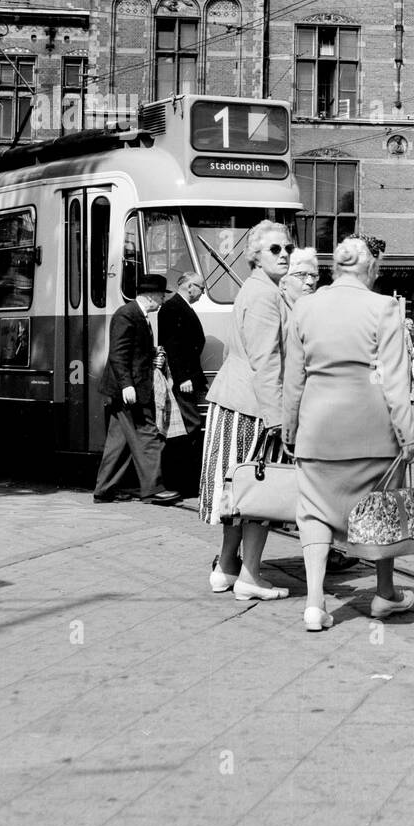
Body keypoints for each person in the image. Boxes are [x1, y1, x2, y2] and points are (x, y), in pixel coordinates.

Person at [282, 237, 414, 632]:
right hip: (372, 429)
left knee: (313, 512)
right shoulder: (383, 307)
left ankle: (313, 603)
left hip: (317, 429)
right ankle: (384, 593)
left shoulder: (305, 307)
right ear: (369, 269)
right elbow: (394, 379)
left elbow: (295, 377)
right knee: (379, 507)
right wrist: (407, 436)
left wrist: (290, 426)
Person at [198, 220, 293, 601]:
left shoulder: (255, 290)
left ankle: (225, 567)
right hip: (254, 407)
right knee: (258, 493)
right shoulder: (265, 295)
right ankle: (251, 575)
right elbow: (266, 361)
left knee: (237, 494)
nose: (284, 253)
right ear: (255, 256)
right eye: (275, 249)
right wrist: (278, 418)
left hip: (236, 400)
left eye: (287, 247)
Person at [93, 274, 181, 505]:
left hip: (130, 387)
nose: (163, 301)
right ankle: (153, 489)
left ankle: (104, 490)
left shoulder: (138, 315)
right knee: (147, 435)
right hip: (129, 390)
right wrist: (127, 385)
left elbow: (132, 352)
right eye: (162, 296)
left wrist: (153, 354)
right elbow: (118, 354)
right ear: (151, 296)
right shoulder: (127, 315)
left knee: (119, 443)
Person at [156, 269, 208, 497]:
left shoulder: (178, 306)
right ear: (190, 286)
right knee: (190, 426)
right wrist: (183, 377)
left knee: (190, 427)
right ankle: (186, 482)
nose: (202, 294)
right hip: (183, 379)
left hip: (188, 377)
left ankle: (187, 481)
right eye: (201, 288)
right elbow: (174, 346)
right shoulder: (173, 307)